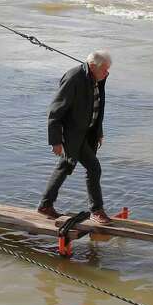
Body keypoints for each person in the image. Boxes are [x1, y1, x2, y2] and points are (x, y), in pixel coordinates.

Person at [37, 50, 113, 225]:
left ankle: (45, 205)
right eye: (105, 70)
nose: (107, 73)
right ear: (93, 66)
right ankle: (96, 210)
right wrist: (56, 141)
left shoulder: (97, 78)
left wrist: (99, 132)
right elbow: (55, 111)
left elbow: (97, 107)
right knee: (94, 168)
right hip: (72, 134)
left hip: (86, 133)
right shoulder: (74, 78)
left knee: (65, 166)